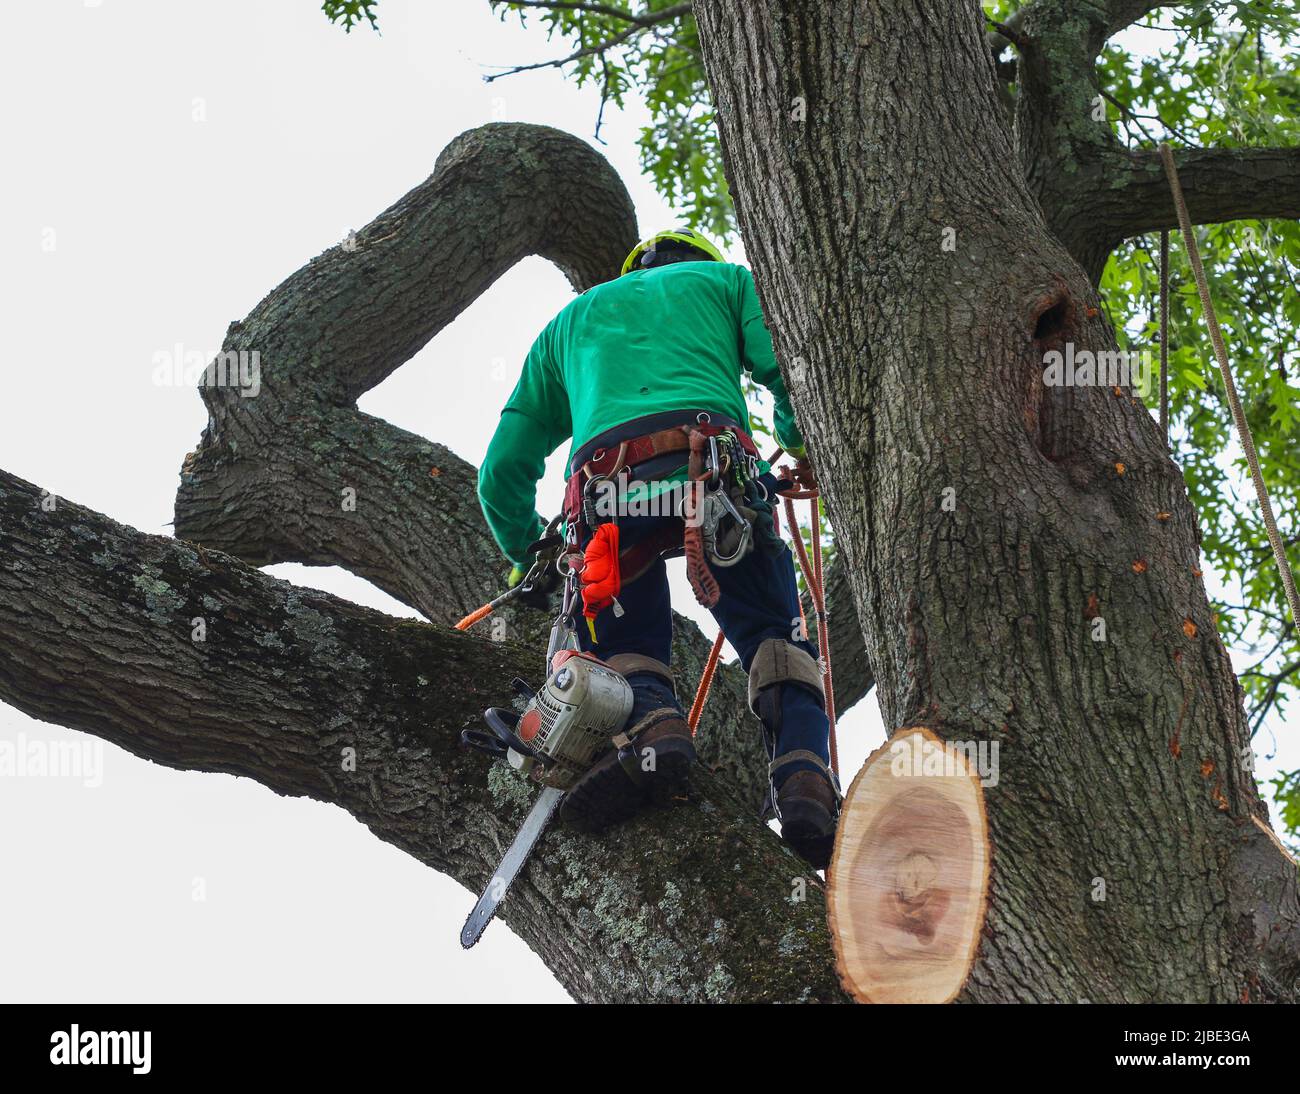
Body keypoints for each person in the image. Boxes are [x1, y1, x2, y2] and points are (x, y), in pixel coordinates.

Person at [477, 228, 839, 868]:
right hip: (720, 477)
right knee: (776, 640)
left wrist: (527, 550)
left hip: (607, 495)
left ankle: (654, 730)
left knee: (625, 645)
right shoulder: (729, 283)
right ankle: (805, 782)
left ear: (632, 270)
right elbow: (794, 369)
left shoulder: (573, 320)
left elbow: (503, 466)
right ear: (700, 260)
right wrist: (802, 442)